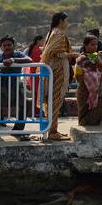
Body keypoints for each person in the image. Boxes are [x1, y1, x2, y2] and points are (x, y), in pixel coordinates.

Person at [40, 12, 77, 142]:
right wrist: (73, 55)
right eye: (66, 21)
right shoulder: (59, 34)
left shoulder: (51, 32)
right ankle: (53, 131)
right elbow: (56, 53)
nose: (67, 23)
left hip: (52, 71)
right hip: (57, 71)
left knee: (53, 100)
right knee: (56, 100)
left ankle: (52, 129)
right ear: (61, 21)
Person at [0, 36, 34, 133]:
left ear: (14, 46)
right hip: (2, 85)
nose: (7, 47)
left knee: (24, 104)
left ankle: (18, 128)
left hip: (15, 84)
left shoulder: (18, 54)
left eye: (9, 45)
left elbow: (29, 60)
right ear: (1, 47)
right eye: (4, 45)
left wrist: (13, 60)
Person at [74, 35, 102, 126]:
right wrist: (90, 75)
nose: (95, 47)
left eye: (96, 45)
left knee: (100, 112)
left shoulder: (99, 57)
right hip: (85, 90)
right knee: (84, 114)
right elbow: (78, 78)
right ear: (86, 46)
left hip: (99, 90)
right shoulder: (81, 60)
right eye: (92, 44)